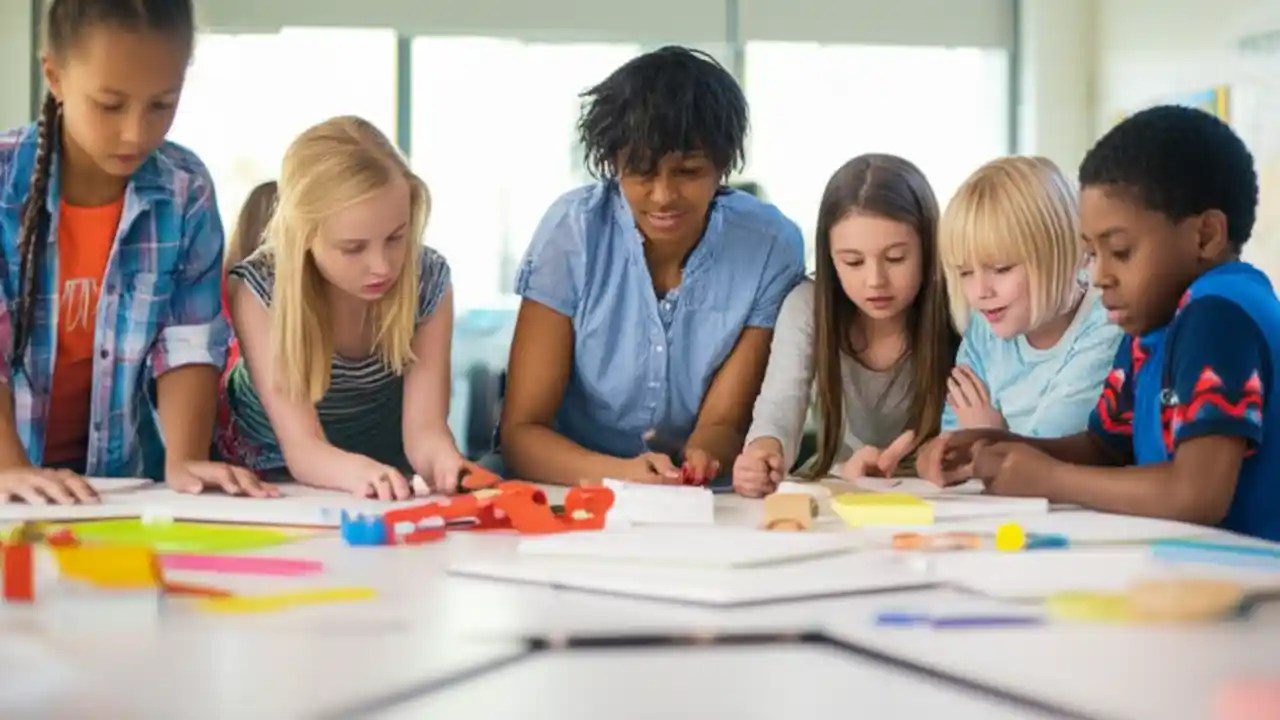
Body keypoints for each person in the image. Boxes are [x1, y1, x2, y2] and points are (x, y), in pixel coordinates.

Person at [923, 106, 1280, 542]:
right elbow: (1104, 447)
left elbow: (1196, 495)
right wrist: (995, 447)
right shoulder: (1152, 324)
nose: (1099, 276)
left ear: (1204, 236)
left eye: (1122, 251)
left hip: (1255, 576)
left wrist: (1050, 478)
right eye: (1093, 253)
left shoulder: (1219, 315)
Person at [0, 0, 273, 504]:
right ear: (54, 76)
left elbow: (190, 340)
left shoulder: (185, 190)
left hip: (119, 485)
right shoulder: (3, 182)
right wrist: (9, 468)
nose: (136, 133)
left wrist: (186, 460)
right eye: (110, 104)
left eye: (162, 104)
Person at [497, 46, 805, 486]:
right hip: (567, 490)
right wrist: (620, 475)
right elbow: (522, 433)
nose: (663, 195)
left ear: (723, 165)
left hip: (693, 498)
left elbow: (724, 425)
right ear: (613, 163)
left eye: (688, 171)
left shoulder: (771, 247)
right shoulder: (572, 233)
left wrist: (703, 458)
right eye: (640, 172)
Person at [217, 116, 465, 500]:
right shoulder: (259, 288)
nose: (382, 265)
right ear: (304, 235)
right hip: (268, 480)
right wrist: (367, 475)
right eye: (353, 248)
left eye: (396, 238)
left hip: (381, 470)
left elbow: (425, 432)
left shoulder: (428, 278)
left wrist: (446, 463)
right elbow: (303, 450)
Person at [732, 155, 957, 497]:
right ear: (829, 256)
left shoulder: (958, 304)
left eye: (896, 258)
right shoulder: (807, 305)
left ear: (929, 247)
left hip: (942, 496)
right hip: (838, 489)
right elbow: (779, 406)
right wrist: (762, 456)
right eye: (852, 261)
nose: (875, 281)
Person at [934, 156, 1121, 439]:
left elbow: (1054, 445)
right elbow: (952, 439)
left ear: (1061, 252)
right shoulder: (985, 326)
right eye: (965, 273)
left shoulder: (1106, 323)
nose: (980, 292)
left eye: (1001, 269)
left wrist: (990, 435)